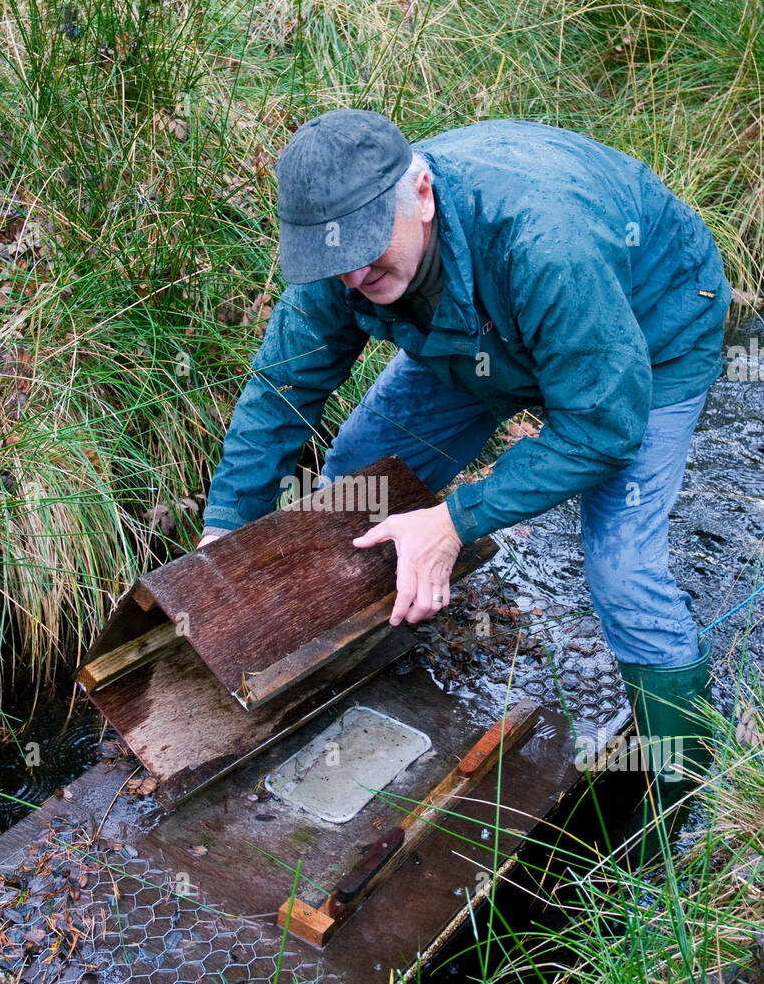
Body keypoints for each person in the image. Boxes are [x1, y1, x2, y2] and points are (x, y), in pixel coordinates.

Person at [198, 108, 733, 831]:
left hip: (648, 330)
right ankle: (360, 665)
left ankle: (680, 804)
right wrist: (224, 529)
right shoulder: (341, 251)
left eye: (368, 248)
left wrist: (453, 522)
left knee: (623, 572)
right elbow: (281, 391)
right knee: (358, 481)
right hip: (478, 342)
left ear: (421, 194)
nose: (354, 274)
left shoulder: (545, 242)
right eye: (336, 260)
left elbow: (600, 428)